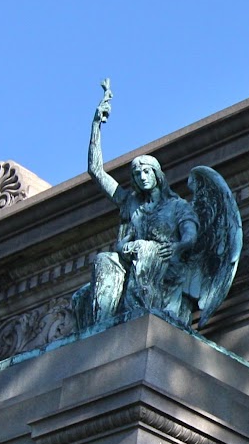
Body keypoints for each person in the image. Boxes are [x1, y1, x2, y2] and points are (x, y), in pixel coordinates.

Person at [71, 83, 200, 329]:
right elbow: (96, 171)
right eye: (137, 173)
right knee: (103, 261)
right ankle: (103, 328)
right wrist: (96, 126)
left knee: (143, 248)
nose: (142, 176)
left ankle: (136, 321)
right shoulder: (130, 203)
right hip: (133, 263)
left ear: (157, 174)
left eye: (146, 171)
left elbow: (190, 237)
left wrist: (176, 248)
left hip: (165, 265)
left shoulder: (177, 206)